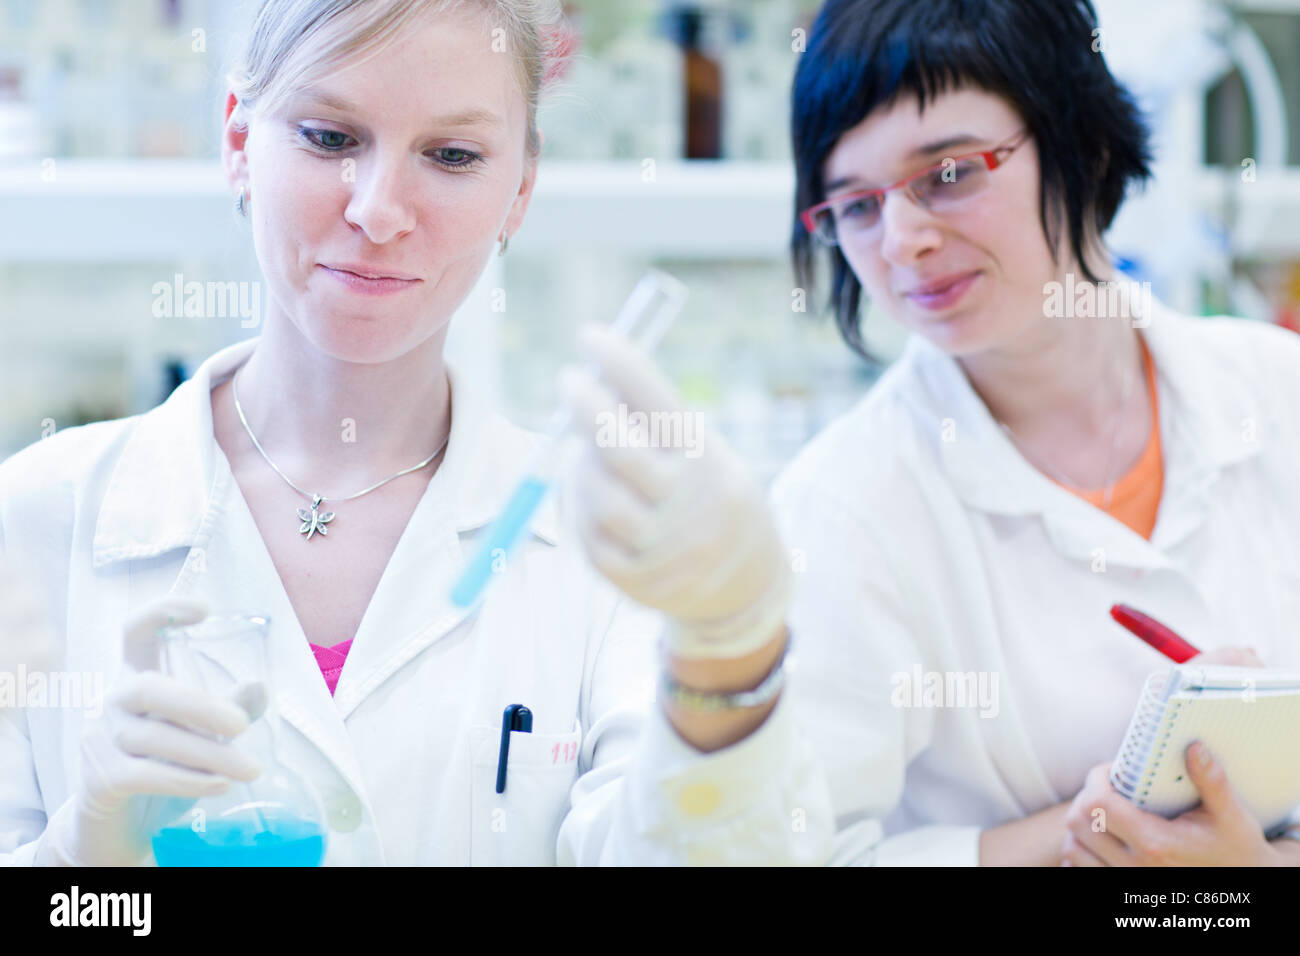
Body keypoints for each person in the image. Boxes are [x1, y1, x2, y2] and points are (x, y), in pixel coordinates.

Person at [0, 0, 830, 866]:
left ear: (520, 190)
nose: (380, 209)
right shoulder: (37, 517)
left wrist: (730, 658)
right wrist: (81, 859)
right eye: (329, 137)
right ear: (240, 143)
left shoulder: (605, 559)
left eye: (452, 155)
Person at [770, 0, 1300, 865]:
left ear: (1084, 143)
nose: (903, 240)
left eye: (949, 174)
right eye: (857, 207)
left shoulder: (1281, 395)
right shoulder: (838, 512)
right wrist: (1090, 837)